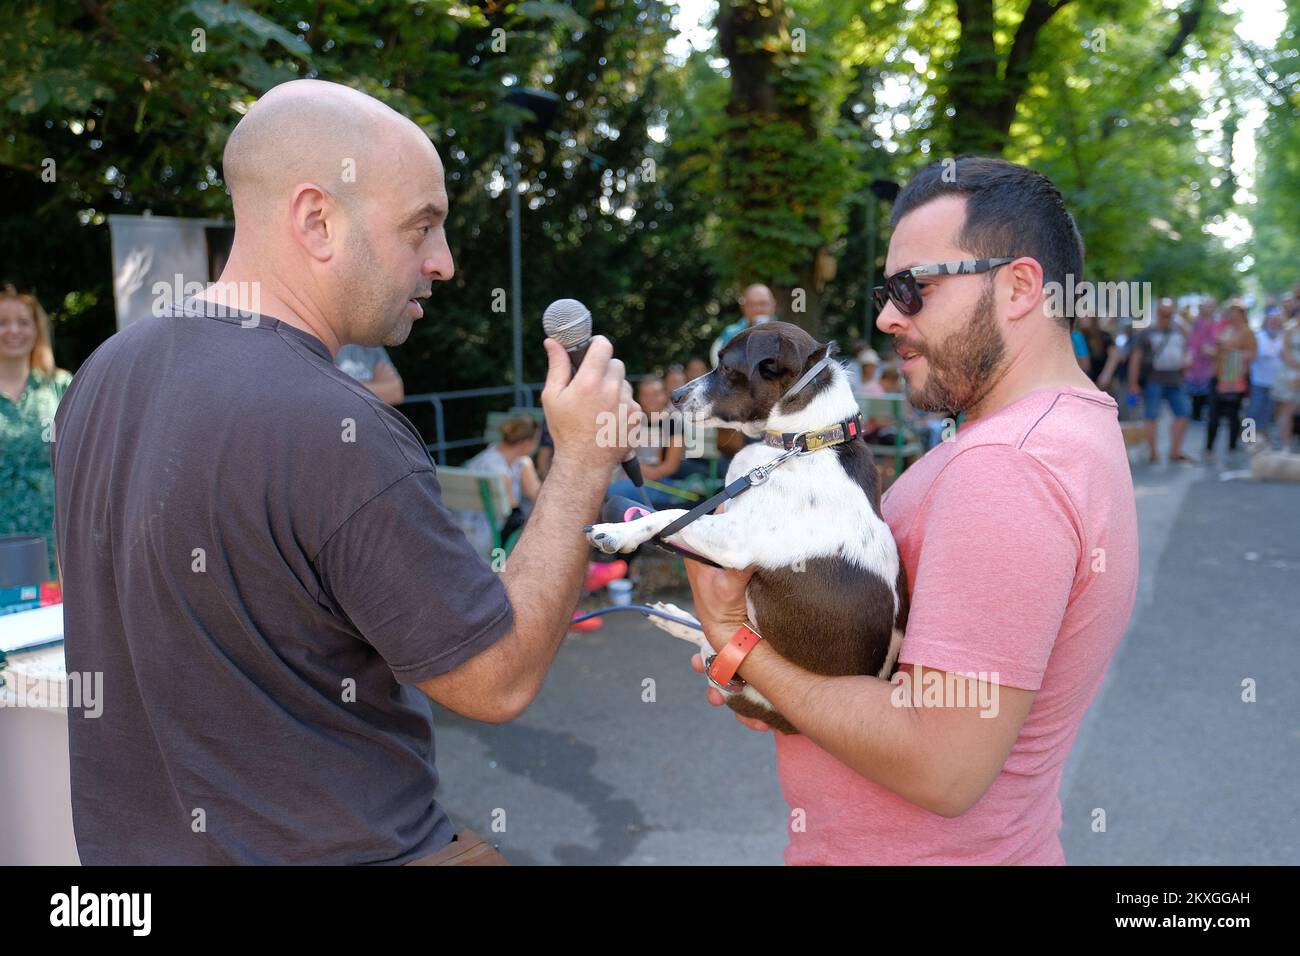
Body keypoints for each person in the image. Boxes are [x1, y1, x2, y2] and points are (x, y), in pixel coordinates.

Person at [51, 79, 638, 865]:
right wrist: (581, 464)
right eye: (422, 227)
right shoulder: (337, 429)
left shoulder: (102, 372)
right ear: (317, 220)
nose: (446, 263)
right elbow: (494, 680)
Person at [681, 156, 1137, 865]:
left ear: (1019, 286)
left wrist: (738, 641)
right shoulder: (1063, 431)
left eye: (913, 289)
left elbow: (940, 766)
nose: (888, 315)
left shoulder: (1007, 467)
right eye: (884, 291)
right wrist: (786, 684)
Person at [0, 285, 71, 582]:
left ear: (37, 330)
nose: (13, 330)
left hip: (54, 541)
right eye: (2, 322)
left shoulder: (60, 386)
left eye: (23, 322)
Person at [454, 414, 542, 554]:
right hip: (488, 539)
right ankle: (502, 569)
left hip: (464, 531)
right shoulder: (499, 471)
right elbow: (514, 517)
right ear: (526, 443)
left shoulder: (501, 458)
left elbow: (538, 497)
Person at [1126, 297, 1194, 464]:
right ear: (1158, 313)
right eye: (1164, 313)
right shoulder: (1147, 332)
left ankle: (1175, 451)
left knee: (1184, 413)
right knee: (1151, 416)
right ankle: (1153, 452)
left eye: (1170, 313)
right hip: (1154, 379)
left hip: (1176, 379)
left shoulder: (1178, 330)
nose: (1167, 316)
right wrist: (1133, 383)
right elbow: (1136, 358)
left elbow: (1189, 343)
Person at [1204, 300, 1257, 463]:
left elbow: (1252, 354)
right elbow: (1216, 349)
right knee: (1213, 415)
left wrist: (1232, 353)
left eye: (1235, 314)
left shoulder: (1247, 332)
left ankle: (1232, 447)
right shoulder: (1225, 329)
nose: (1232, 317)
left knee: (1234, 415)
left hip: (1235, 379)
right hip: (1218, 376)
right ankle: (1209, 448)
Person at [709, 283, 776, 367]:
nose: (757, 309)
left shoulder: (788, 333)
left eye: (762, 304)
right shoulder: (730, 334)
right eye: (751, 304)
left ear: (773, 305)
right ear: (743, 307)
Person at [1247, 308, 1284, 444]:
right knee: (1254, 409)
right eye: (1271, 321)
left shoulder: (1282, 337)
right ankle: (1248, 437)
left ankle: (1261, 437)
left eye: (1276, 321)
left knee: (1267, 411)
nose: (1273, 324)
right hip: (1259, 380)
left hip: (1275, 381)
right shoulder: (1258, 337)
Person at [335, 343, 405, 405]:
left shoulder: (371, 344)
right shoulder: (328, 342)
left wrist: (344, 390)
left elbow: (395, 393)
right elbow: (331, 393)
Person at [1184, 297, 1219, 422]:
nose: (1207, 308)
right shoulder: (1195, 323)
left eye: (1210, 306)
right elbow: (1190, 342)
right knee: (1194, 388)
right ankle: (1195, 413)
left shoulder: (1217, 324)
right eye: (1205, 306)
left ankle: (1203, 412)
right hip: (1196, 361)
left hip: (1211, 362)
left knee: (1208, 388)